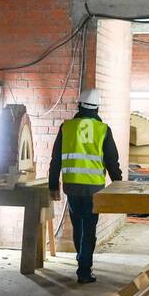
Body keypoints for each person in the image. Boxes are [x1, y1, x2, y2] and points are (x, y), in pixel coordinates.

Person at [48, 88, 122, 284]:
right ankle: (84, 270)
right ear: (97, 108)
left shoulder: (67, 128)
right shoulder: (103, 130)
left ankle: (81, 260)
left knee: (78, 225)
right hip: (93, 189)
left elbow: (56, 159)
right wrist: (120, 185)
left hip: (72, 186)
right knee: (90, 228)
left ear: (79, 106)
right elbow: (112, 162)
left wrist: (52, 185)